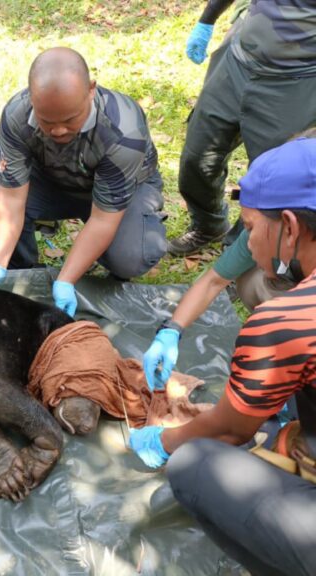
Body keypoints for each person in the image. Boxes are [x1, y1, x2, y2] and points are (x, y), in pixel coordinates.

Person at [129, 137, 316, 575]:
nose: (248, 244)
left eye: (250, 229)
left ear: (289, 226)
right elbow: (214, 279)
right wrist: (172, 330)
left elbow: (229, 432)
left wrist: (163, 441)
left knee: (195, 464)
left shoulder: (286, 323)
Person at [0, 47, 167, 316]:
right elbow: (12, 198)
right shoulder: (17, 114)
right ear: (31, 98)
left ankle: (108, 262)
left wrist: (65, 280)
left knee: (131, 256)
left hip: (122, 191)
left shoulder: (123, 131)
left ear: (91, 90)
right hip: (55, 179)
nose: (58, 130)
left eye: (70, 119)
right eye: (47, 122)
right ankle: (23, 271)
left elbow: (103, 219)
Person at [168, 0, 316, 255]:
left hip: (296, 79)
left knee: (271, 180)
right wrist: (207, 20)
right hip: (238, 59)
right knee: (198, 155)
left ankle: (246, 250)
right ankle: (209, 223)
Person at [143, 227, 295, 390]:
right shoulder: (264, 228)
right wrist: (172, 329)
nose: (247, 233)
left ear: (288, 222)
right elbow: (213, 281)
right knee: (252, 281)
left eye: (251, 225)